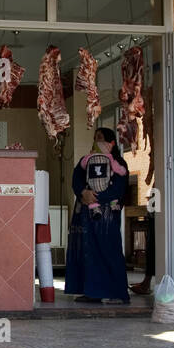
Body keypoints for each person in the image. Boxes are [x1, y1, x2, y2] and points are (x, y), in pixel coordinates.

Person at [65, 126, 130, 304]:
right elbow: (76, 179)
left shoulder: (118, 163)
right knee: (88, 251)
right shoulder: (85, 161)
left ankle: (116, 292)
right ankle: (92, 292)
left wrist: (96, 196)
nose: (96, 141)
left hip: (106, 217)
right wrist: (83, 193)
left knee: (109, 251)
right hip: (85, 215)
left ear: (111, 143)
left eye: (100, 138)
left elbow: (118, 188)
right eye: (95, 138)